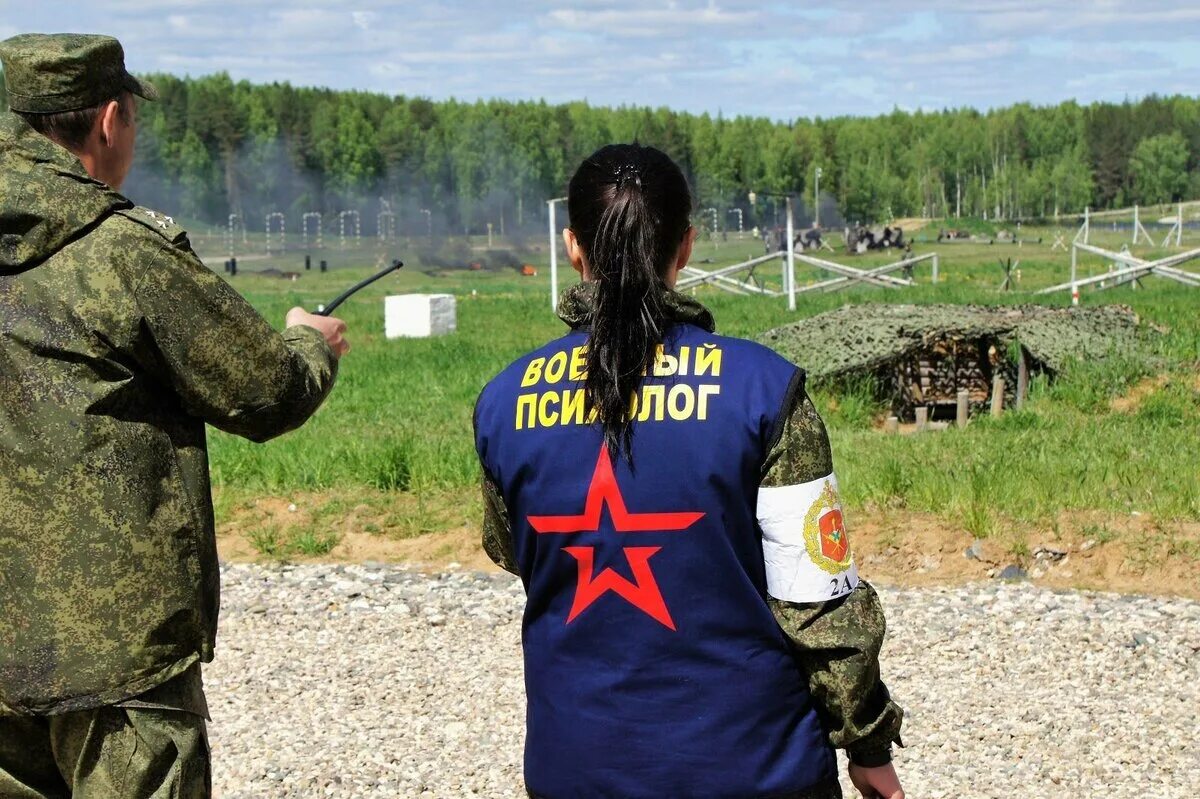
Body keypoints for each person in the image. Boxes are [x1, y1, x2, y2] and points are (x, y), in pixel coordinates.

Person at [474, 143, 904, 799]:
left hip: (576, 770)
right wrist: (867, 742)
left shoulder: (504, 402)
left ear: (572, 246)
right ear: (687, 245)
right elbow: (818, 604)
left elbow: (512, 549)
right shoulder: (763, 391)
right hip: (756, 769)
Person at [0, 33, 348, 797]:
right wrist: (310, 342)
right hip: (116, 660)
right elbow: (265, 390)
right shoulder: (123, 251)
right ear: (109, 120)